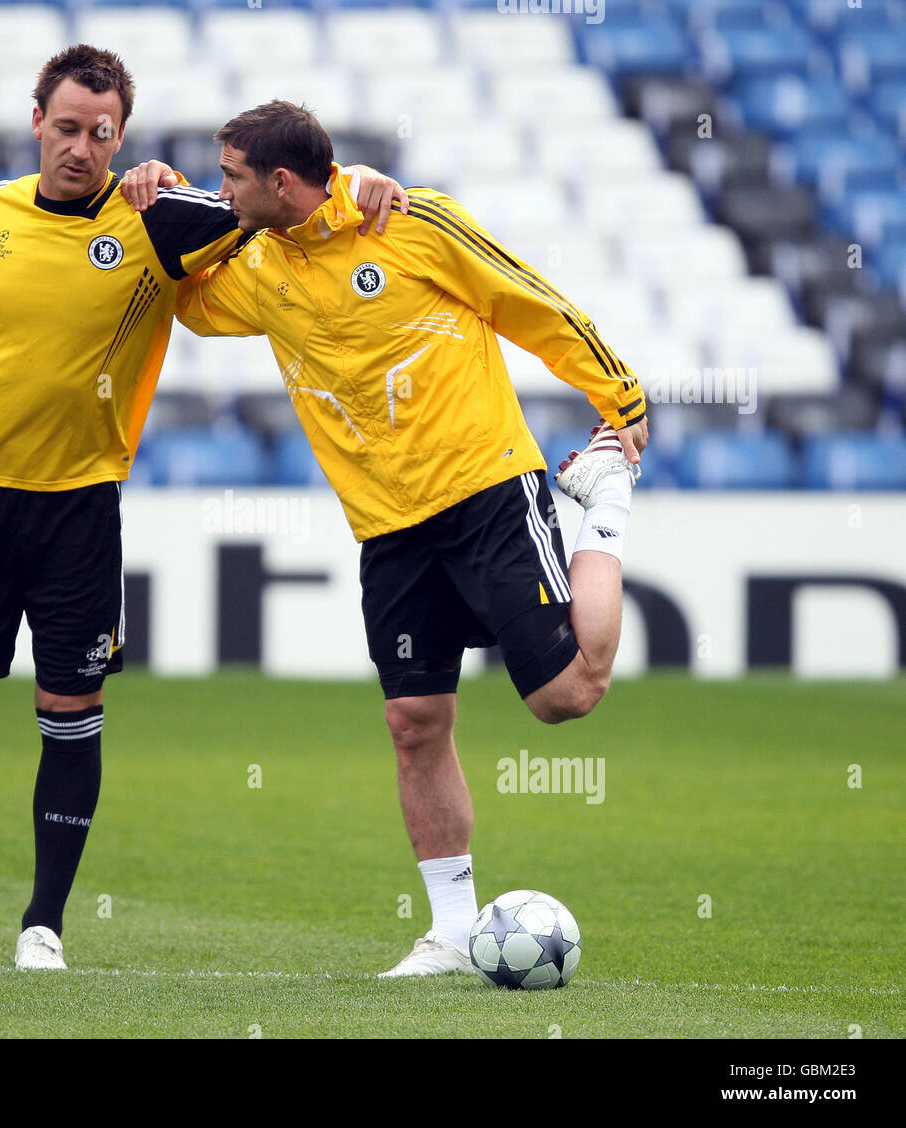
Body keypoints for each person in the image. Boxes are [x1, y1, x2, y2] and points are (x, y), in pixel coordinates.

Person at [0, 50, 407, 972]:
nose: (82, 148)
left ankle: (43, 924)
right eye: (66, 127)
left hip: (81, 508)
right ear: (35, 122)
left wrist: (362, 182)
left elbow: (290, 212)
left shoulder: (159, 217)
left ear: (121, 136)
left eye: (103, 133)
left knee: (72, 707)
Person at [121, 101, 648, 977]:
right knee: (413, 722)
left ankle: (608, 500)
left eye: (231, 176)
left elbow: (530, 302)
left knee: (567, 694)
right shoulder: (256, 264)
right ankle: (450, 930)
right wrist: (158, 195)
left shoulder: (412, 220)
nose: (223, 189)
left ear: (280, 181)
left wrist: (619, 400)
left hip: (485, 487)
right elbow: (191, 305)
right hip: (387, 526)